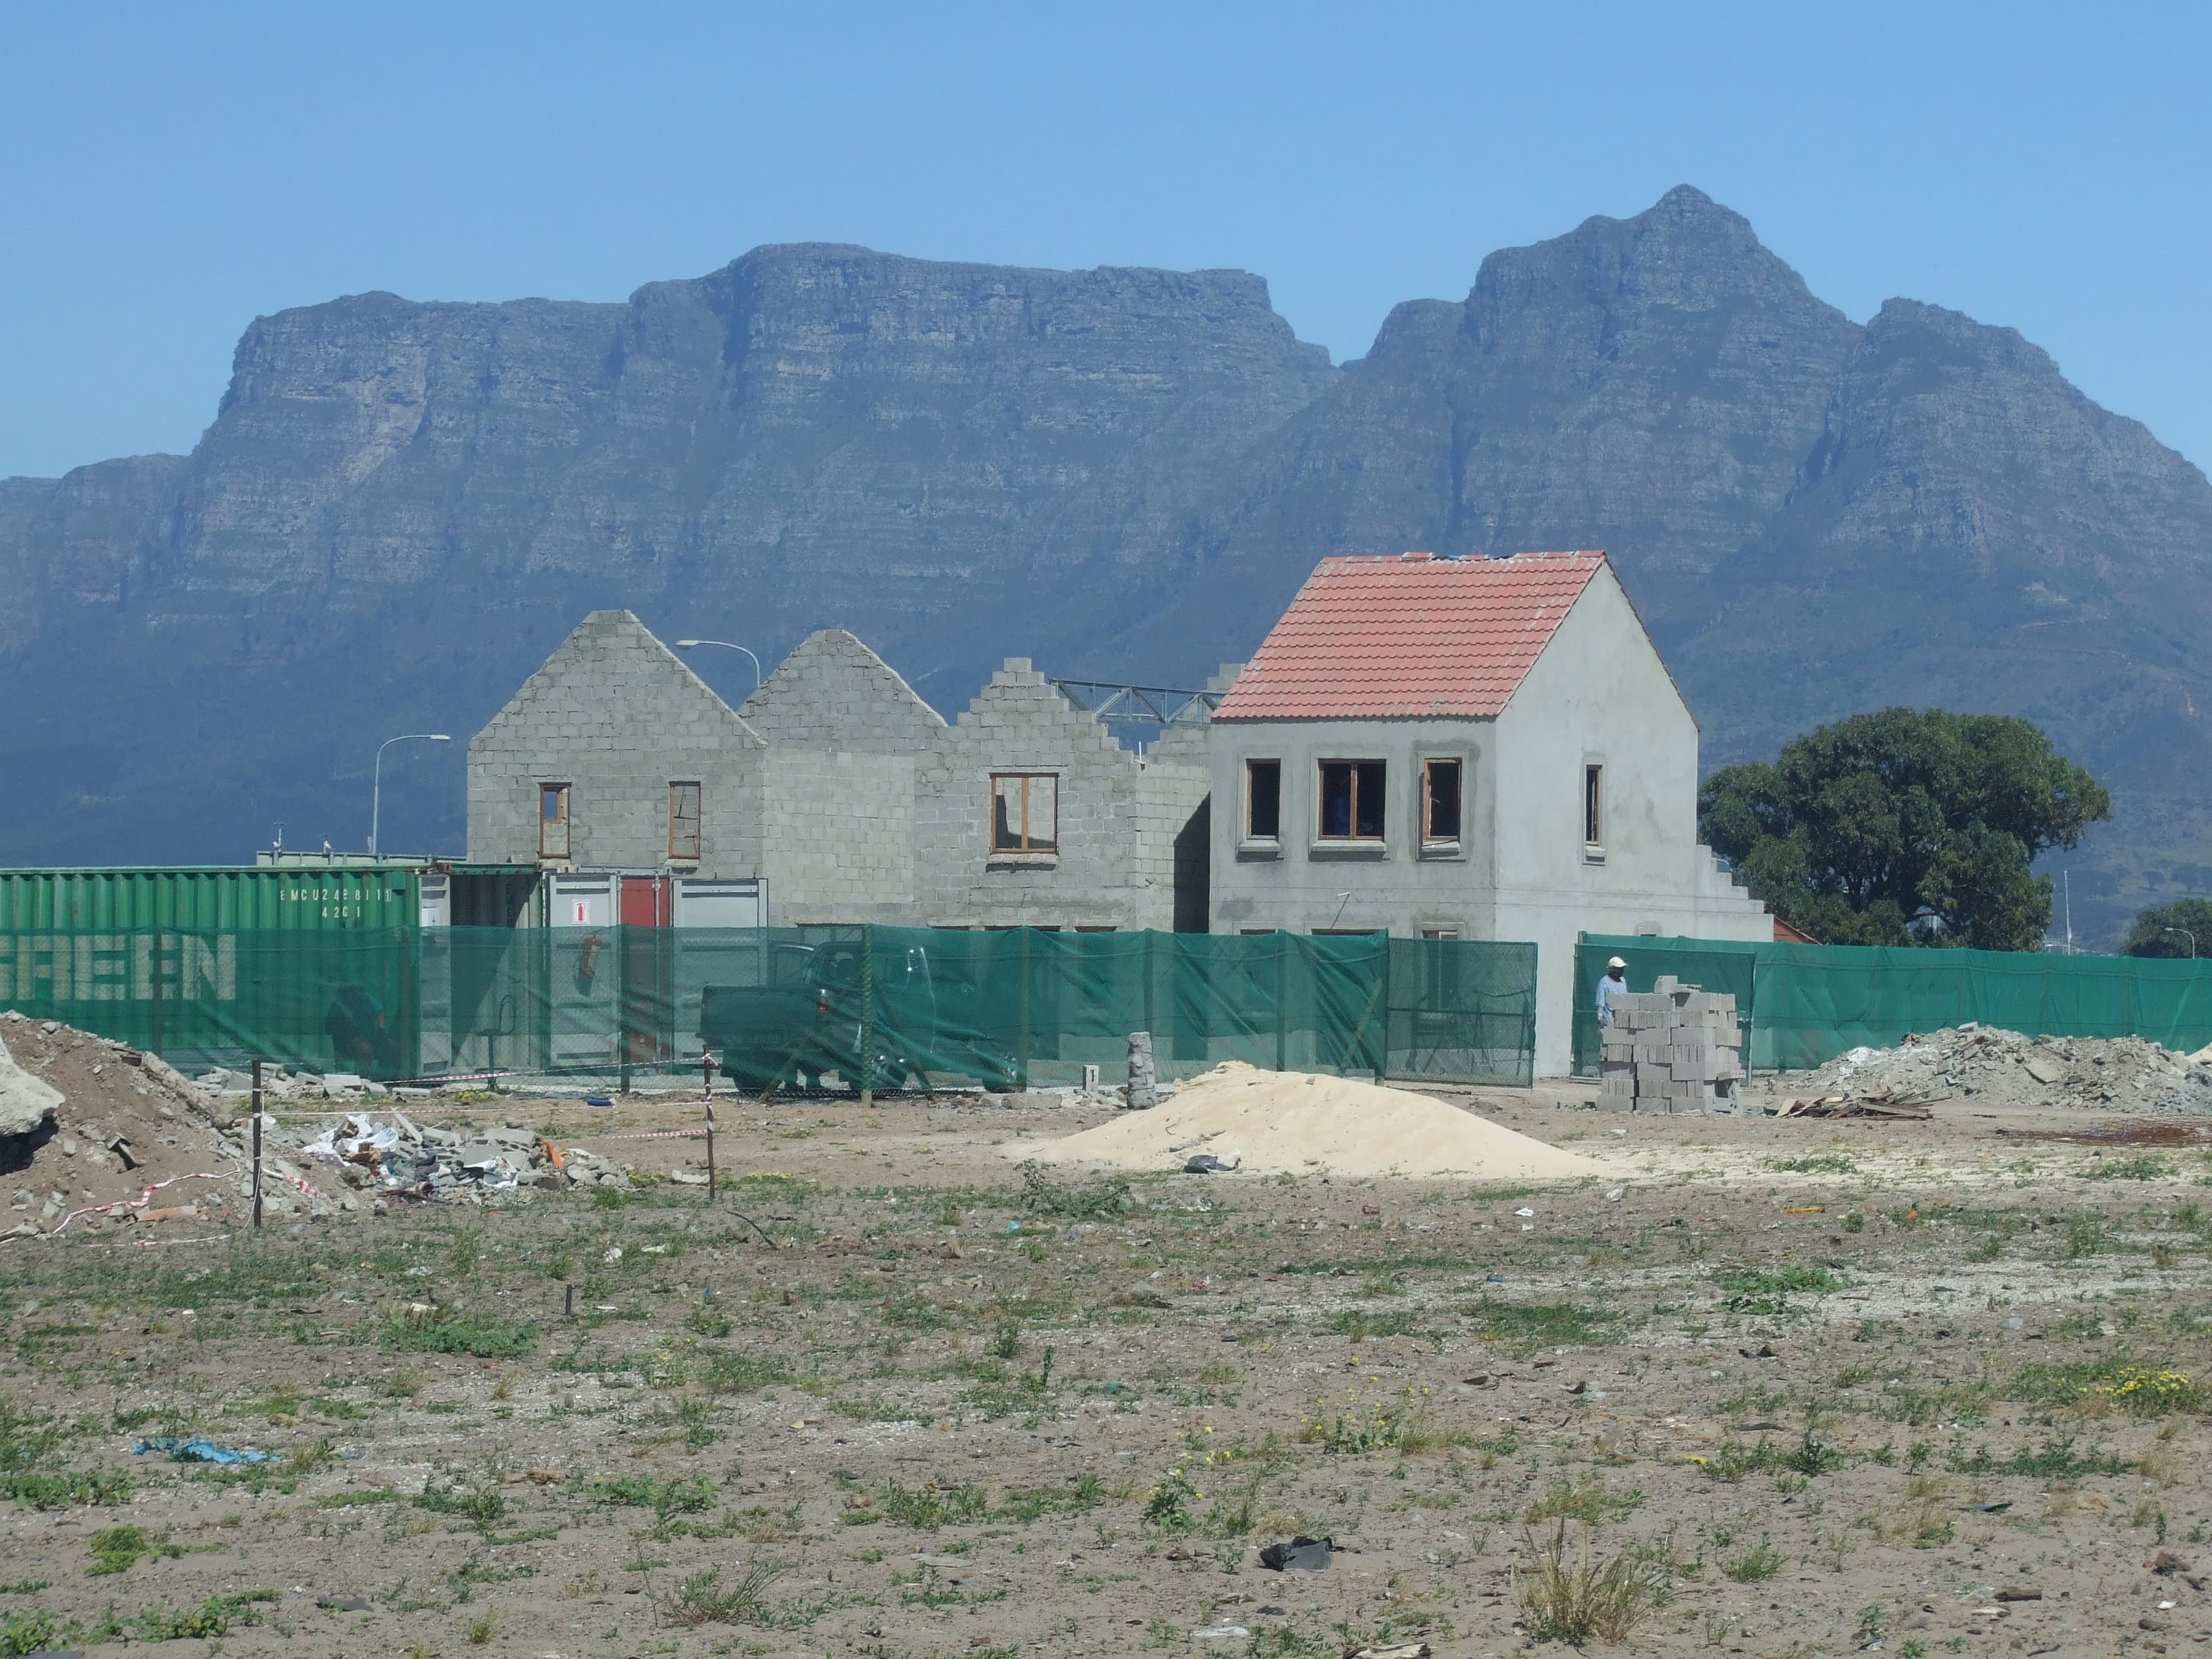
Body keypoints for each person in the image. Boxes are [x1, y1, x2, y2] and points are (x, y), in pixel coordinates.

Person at [1595, 956, 1629, 1027]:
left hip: (1622, 1022)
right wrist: (1600, 1019)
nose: (1621, 971)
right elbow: (1601, 1005)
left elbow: (1626, 1000)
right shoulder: (1604, 982)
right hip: (1609, 1023)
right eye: (1618, 969)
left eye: (1622, 969)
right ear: (1611, 969)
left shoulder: (1623, 982)